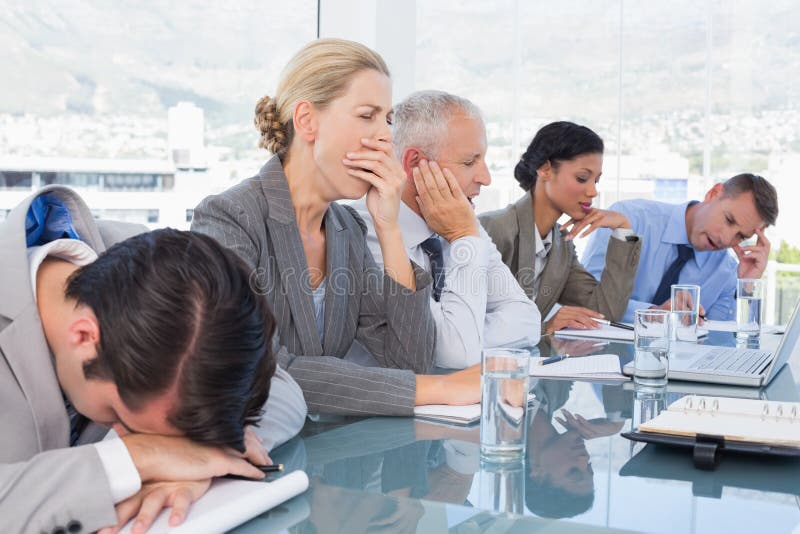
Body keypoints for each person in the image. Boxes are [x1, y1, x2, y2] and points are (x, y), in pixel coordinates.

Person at [191, 39, 480, 416]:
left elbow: (410, 359)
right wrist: (440, 388)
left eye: (387, 120)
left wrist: (389, 228)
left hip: (333, 455)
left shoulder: (348, 229)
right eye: (367, 116)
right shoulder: (229, 218)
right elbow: (258, 370)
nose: (385, 136)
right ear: (307, 120)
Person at [0, 185, 307, 533]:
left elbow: (283, 390)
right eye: (121, 419)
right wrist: (139, 459)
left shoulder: (169, 273)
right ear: (84, 336)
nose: (151, 441)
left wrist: (205, 452)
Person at [351, 90, 540, 369]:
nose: (485, 178)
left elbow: (527, 320)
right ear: (414, 162)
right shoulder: (364, 230)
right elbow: (454, 354)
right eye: (469, 162)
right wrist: (464, 238)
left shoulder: (464, 221)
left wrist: (460, 337)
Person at [479, 121, 642, 334]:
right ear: (545, 169)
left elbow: (604, 312)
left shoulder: (561, 247)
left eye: (596, 181)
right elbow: (466, 329)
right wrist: (545, 329)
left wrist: (623, 228)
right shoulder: (492, 229)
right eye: (582, 178)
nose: (593, 191)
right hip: (478, 366)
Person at [582, 173, 778, 321]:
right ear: (713, 193)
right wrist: (651, 314)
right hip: (600, 359)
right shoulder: (629, 219)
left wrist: (746, 285)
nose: (725, 239)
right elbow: (585, 297)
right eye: (728, 220)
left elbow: (722, 346)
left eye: (741, 236)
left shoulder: (726, 272)